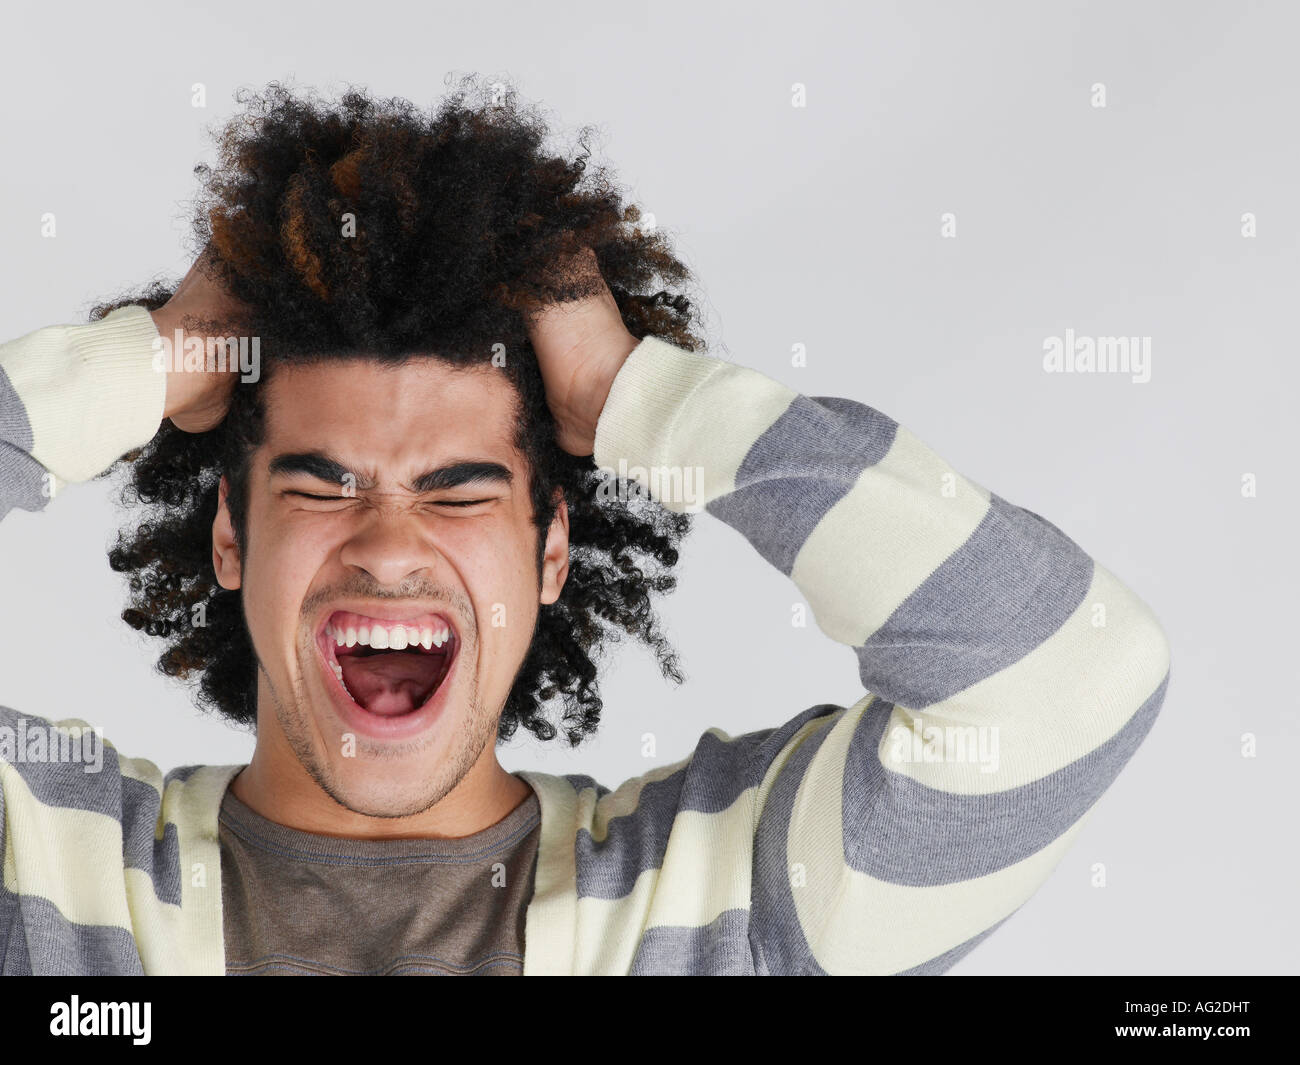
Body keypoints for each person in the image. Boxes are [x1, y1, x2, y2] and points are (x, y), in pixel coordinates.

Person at [0, 80, 1171, 976]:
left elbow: (1067, 680)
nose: (391, 545)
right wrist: (146, 364)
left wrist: (636, 400)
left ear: (550, 552)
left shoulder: (731, 905)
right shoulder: (44, 869)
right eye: (320, 487)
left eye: (458, 489)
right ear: (230, 543)